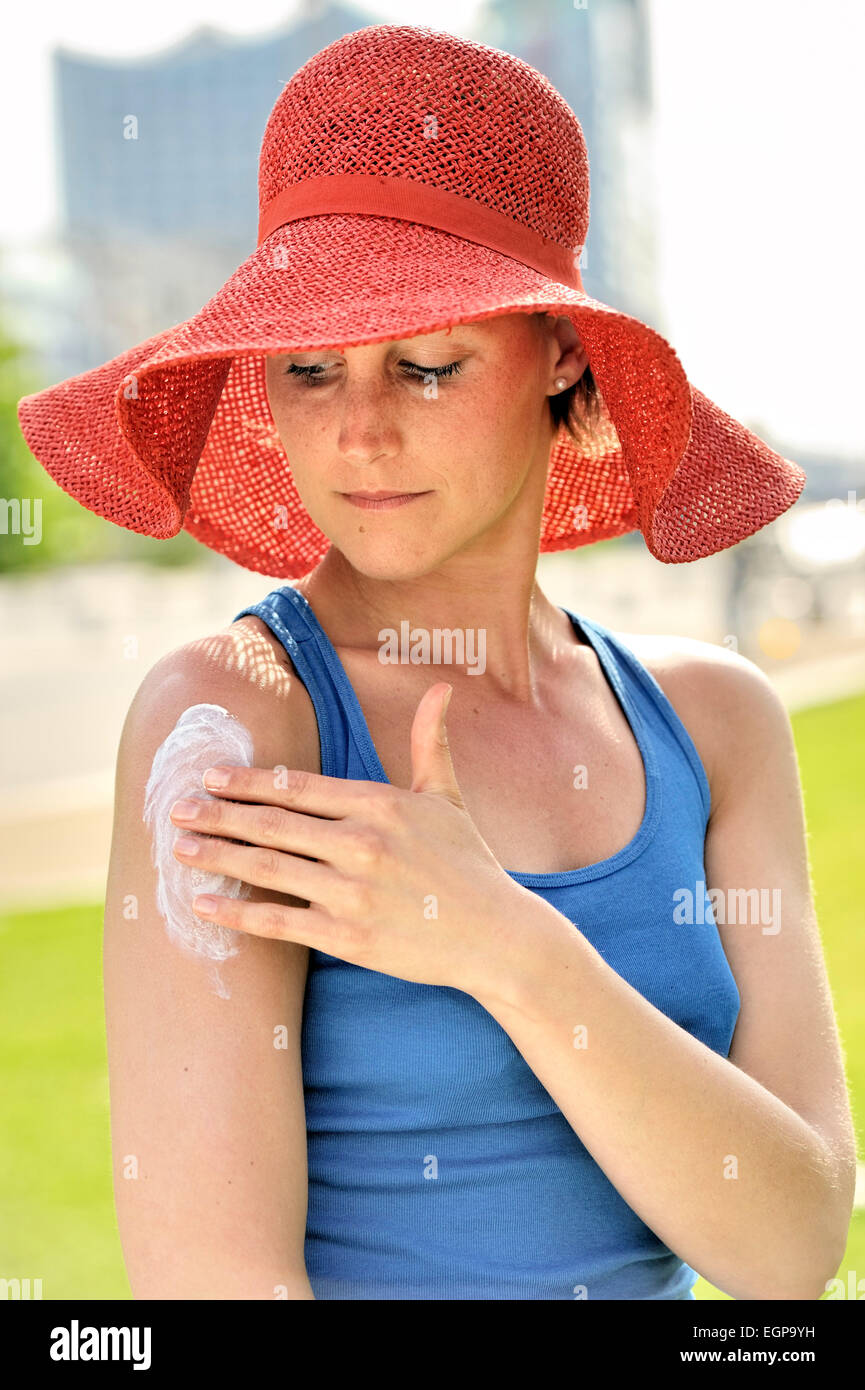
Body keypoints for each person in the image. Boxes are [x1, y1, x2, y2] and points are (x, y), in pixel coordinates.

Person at [18, 24, 855, 1301]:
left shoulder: (716, 721)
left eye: (423, 364)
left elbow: (793, 1250)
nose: (357, 429)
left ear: (561, 350)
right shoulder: (239, 724)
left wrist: (502, 943)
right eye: (307, 368)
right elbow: (219, 1285)